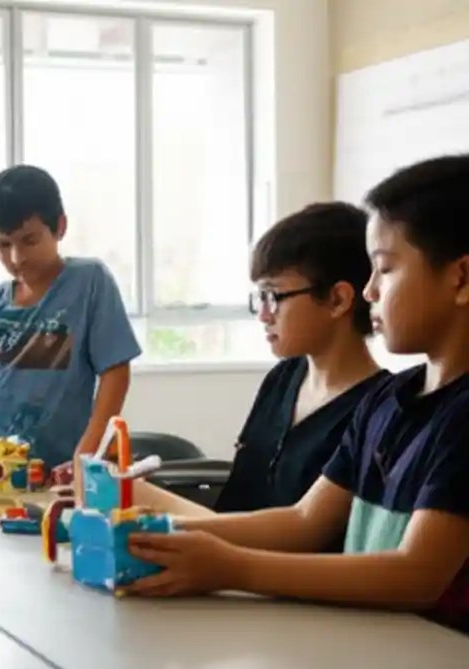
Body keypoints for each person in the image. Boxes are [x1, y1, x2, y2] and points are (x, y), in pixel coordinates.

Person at [126, 155, 469, 633]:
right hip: (366, 646)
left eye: (385, 270)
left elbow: (416, 574)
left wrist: (233, 566)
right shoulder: (385, 403)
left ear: (461, 278)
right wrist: (152, 533)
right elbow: (307, 520)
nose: (369, 291)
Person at [0, 165, 140, 476]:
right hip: (7, 476)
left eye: (30, 240)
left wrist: (85, 457)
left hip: (69, 474)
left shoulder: (89, 283)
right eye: (4, 244)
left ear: (60, 227)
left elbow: (116, 374)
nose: (17, 258)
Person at [213, 202, 390, 513]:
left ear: (338, 299)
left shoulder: (376, 410)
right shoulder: (284, 377)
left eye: (274, 296)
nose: (264, 315)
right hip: (216, 549)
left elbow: (306, 532)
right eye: (260, 297)